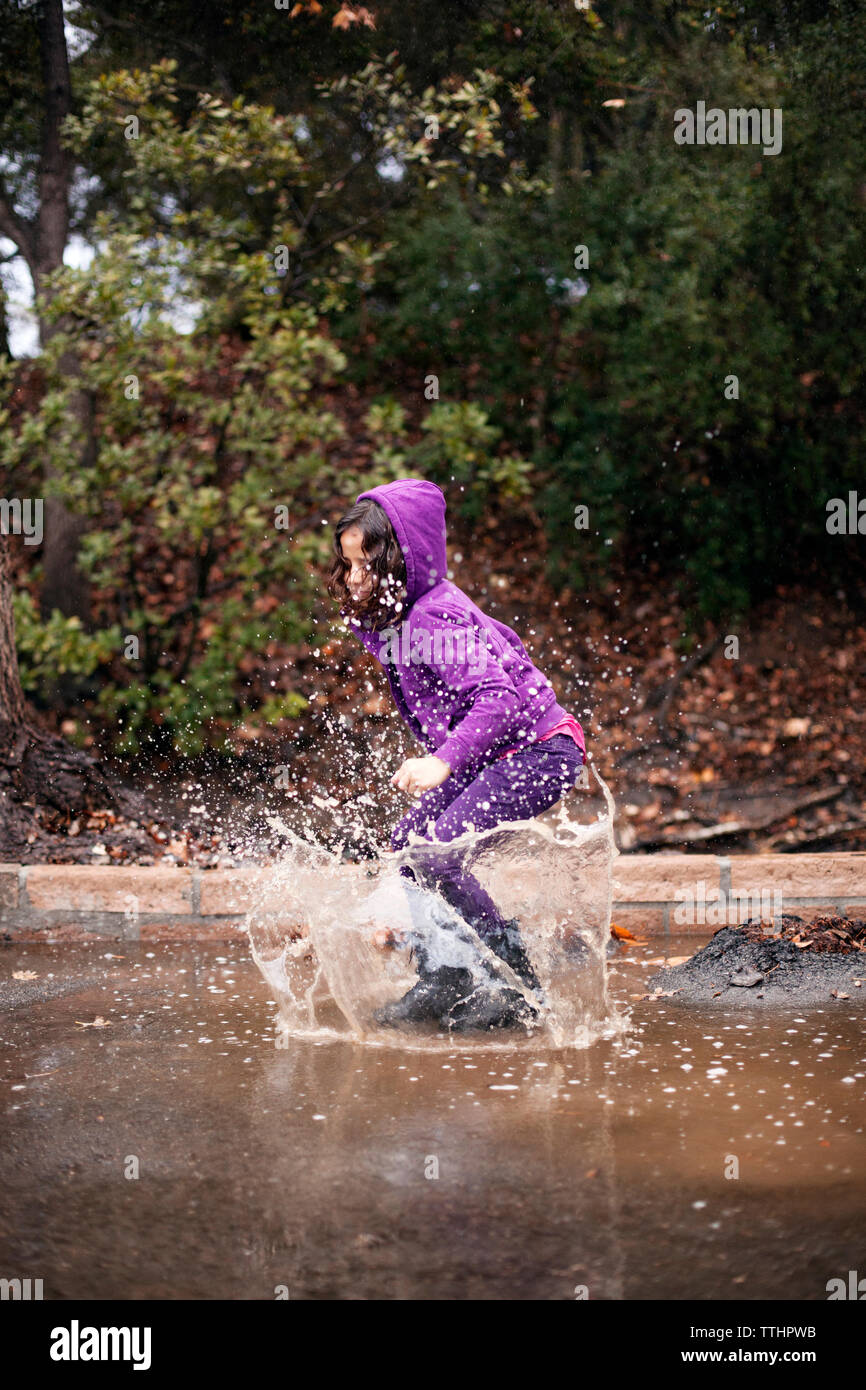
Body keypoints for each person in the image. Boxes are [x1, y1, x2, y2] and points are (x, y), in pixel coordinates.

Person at [328, 478, 585, 1031]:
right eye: (347, 566)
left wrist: (442, 760)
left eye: (365, 567)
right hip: (495, 754)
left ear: (404, 561)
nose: (353, 580)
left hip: (539, 751)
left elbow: (498, 696)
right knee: (408, 846)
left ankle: (518, 986)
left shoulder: (432, 616)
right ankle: (445, 974)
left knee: (437, 855)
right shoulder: (402, 620)